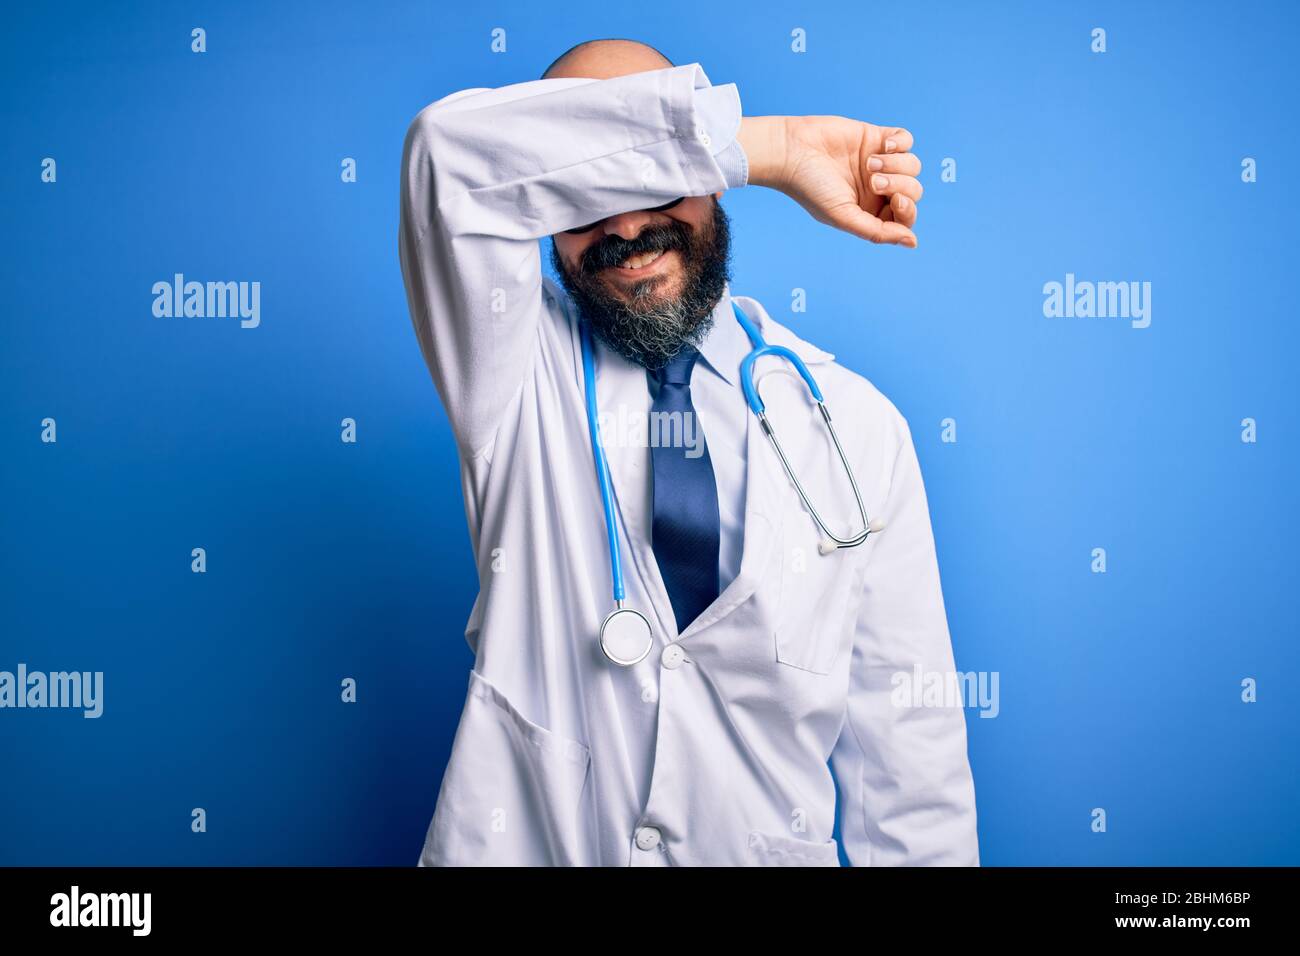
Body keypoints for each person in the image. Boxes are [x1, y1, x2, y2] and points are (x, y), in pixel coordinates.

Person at [397, 37, 978, 866]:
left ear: (706, 173)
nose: (627, 225)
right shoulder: (511, 374)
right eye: (589, 187)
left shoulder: (856, 425)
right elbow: (443, 157)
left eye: (652, 175)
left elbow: (914, 782)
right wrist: (767, 148)